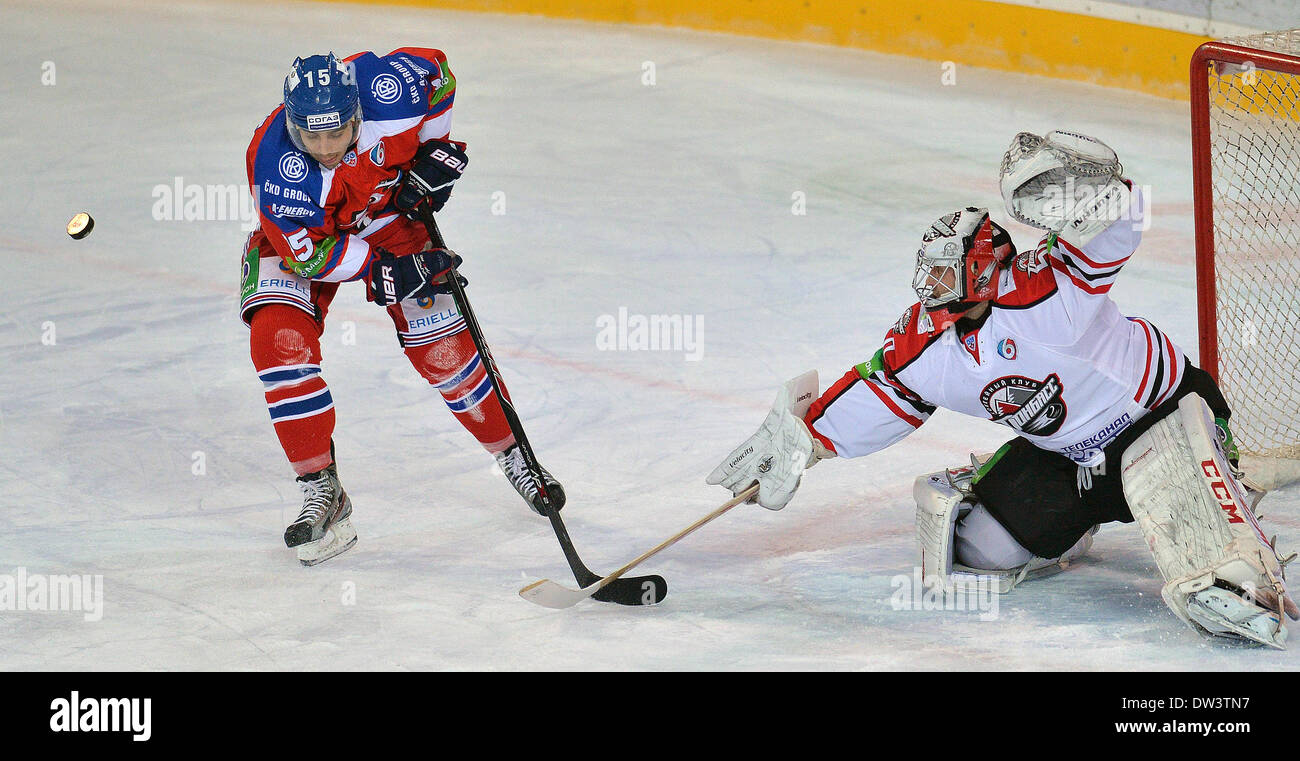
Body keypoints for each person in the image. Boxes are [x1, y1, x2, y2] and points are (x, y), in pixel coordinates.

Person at [708, 130, 1297, 648]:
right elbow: (882, 387)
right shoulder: (928, 342)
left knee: (1223, 592)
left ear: (985, 269)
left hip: (1162, 418)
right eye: (928, 271)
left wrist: (1085, 182)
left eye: (945, 271)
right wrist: (803, 441)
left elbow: (1122, 216)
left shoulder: (1044, 289)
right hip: (1069, 459)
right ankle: (1059, 506)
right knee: (982, 551)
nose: (930, 285)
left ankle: (1224, 510)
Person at [241, 50, 563, 566]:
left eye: (336, 133)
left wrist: (435, 150)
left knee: (443, 344)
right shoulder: (273, 162)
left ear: (357, 115)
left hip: (386, 217)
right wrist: (380, 272)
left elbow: (439, 75)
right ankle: (321, 487)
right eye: (310, 136)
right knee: (278, 342)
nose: (323, 148)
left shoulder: (389, 88)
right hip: (310, 241)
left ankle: (514, 454)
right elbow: (312, 253)